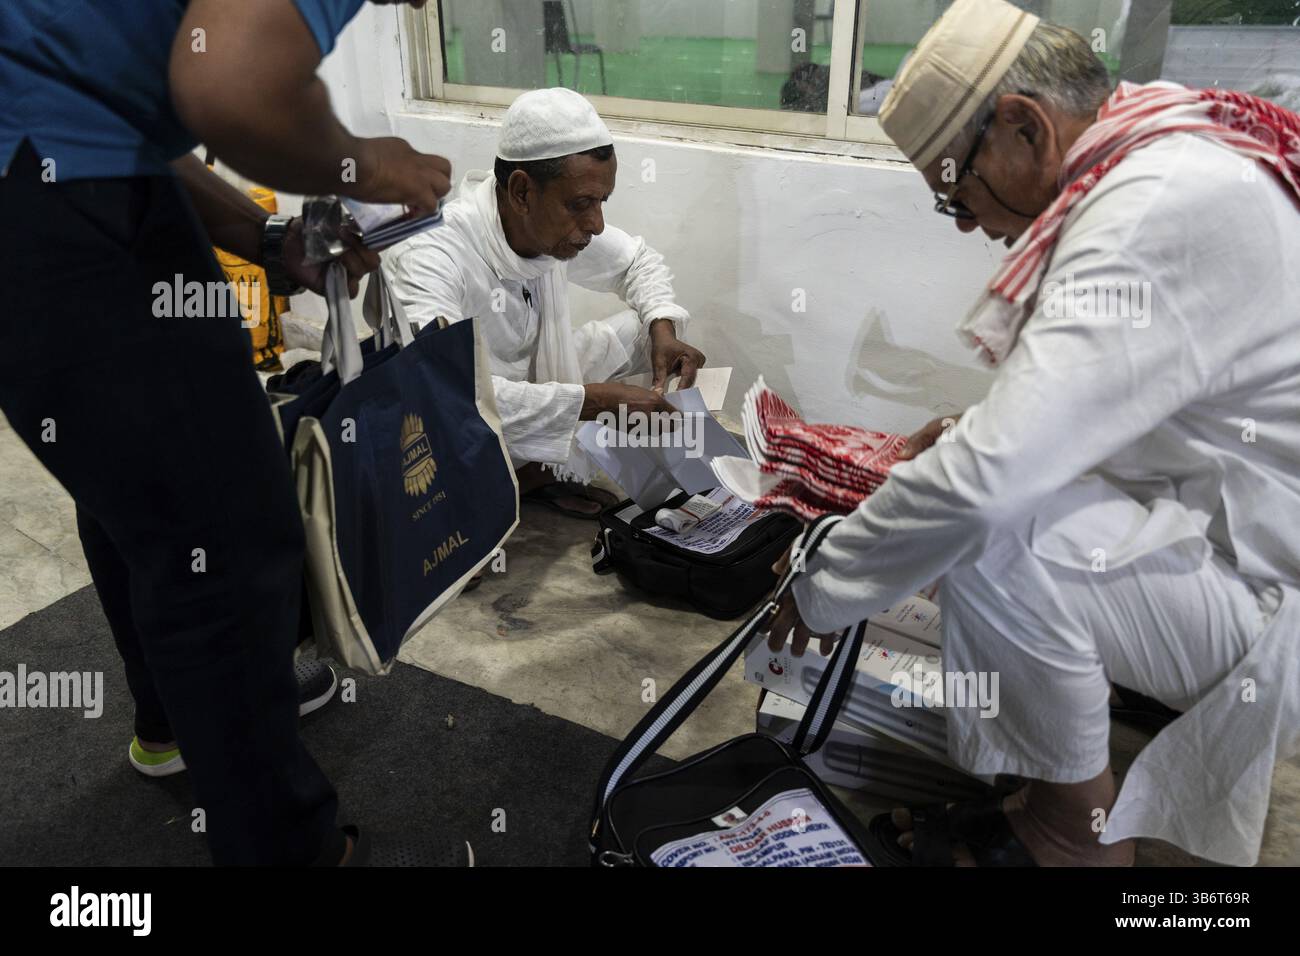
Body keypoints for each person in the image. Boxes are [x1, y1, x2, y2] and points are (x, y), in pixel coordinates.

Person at [767, 0, 1300, 867]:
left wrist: (823, 583)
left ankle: (1071, 834)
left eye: (956, 195)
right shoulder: (1160, 146)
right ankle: (1067, 760)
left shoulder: (1151, 209)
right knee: (973, 473)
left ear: (1023, 126)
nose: (970, 224)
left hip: (1277, 609)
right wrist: (979, 435)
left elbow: (990, 486)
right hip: (1245, 533)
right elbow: (1126, 388)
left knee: (993, 527)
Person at [0, 0, 466, 865]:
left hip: (72, 170)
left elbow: (120, 113)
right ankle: (288, 854)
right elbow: (236, 90)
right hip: (44, 197)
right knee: (227, 539)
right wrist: (367, 164)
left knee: (140, 486)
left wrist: (269, 234)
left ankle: (176, 721)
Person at [387, 88, 706, 518]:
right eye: (581, 204)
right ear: (521, 192)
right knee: (440, 455)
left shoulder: (549, 228)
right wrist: (593, 402)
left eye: (600, 202)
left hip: (530, 386)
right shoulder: (433, 252)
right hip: (454, 411)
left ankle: (532, 470)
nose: (595, 224)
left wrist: (663, 331)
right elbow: (443, 391)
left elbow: (638, 264)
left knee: (647, 326)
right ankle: (513, 479)